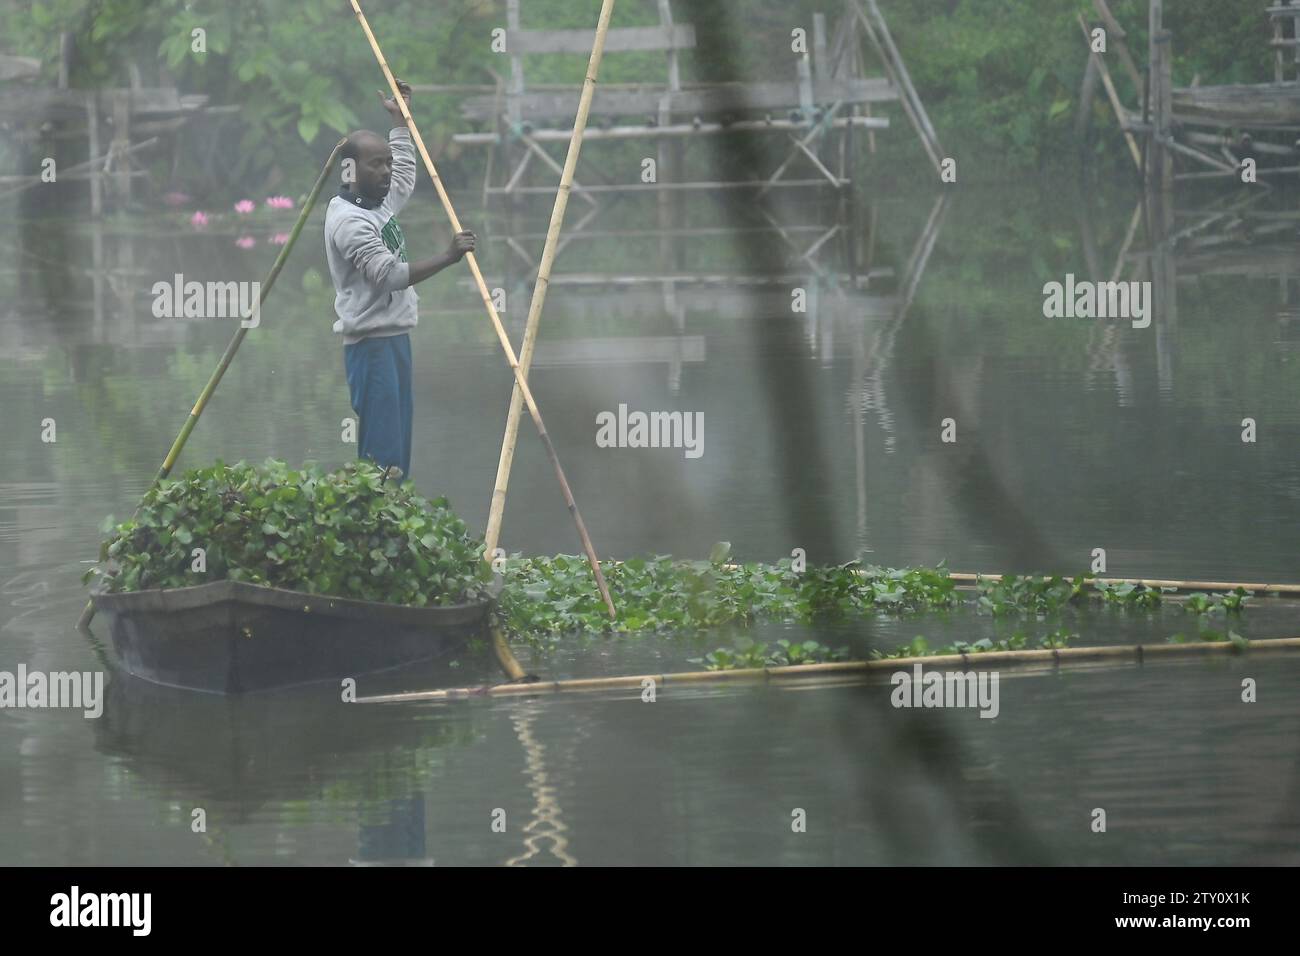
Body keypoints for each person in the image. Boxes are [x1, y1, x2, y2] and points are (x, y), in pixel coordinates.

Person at [324, 78, 475, 482]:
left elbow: (405, 174)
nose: (387, 171)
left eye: (387, 162)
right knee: (382, 453)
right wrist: (448, 256)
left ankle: (394, 525)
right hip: (370, 345)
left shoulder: (376, 202)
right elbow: (390, 277)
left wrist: (400, 121)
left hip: (394, 337)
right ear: (351, 170)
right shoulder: (349, 220)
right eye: (377, 164)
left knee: (399, 450)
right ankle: (375, 527)